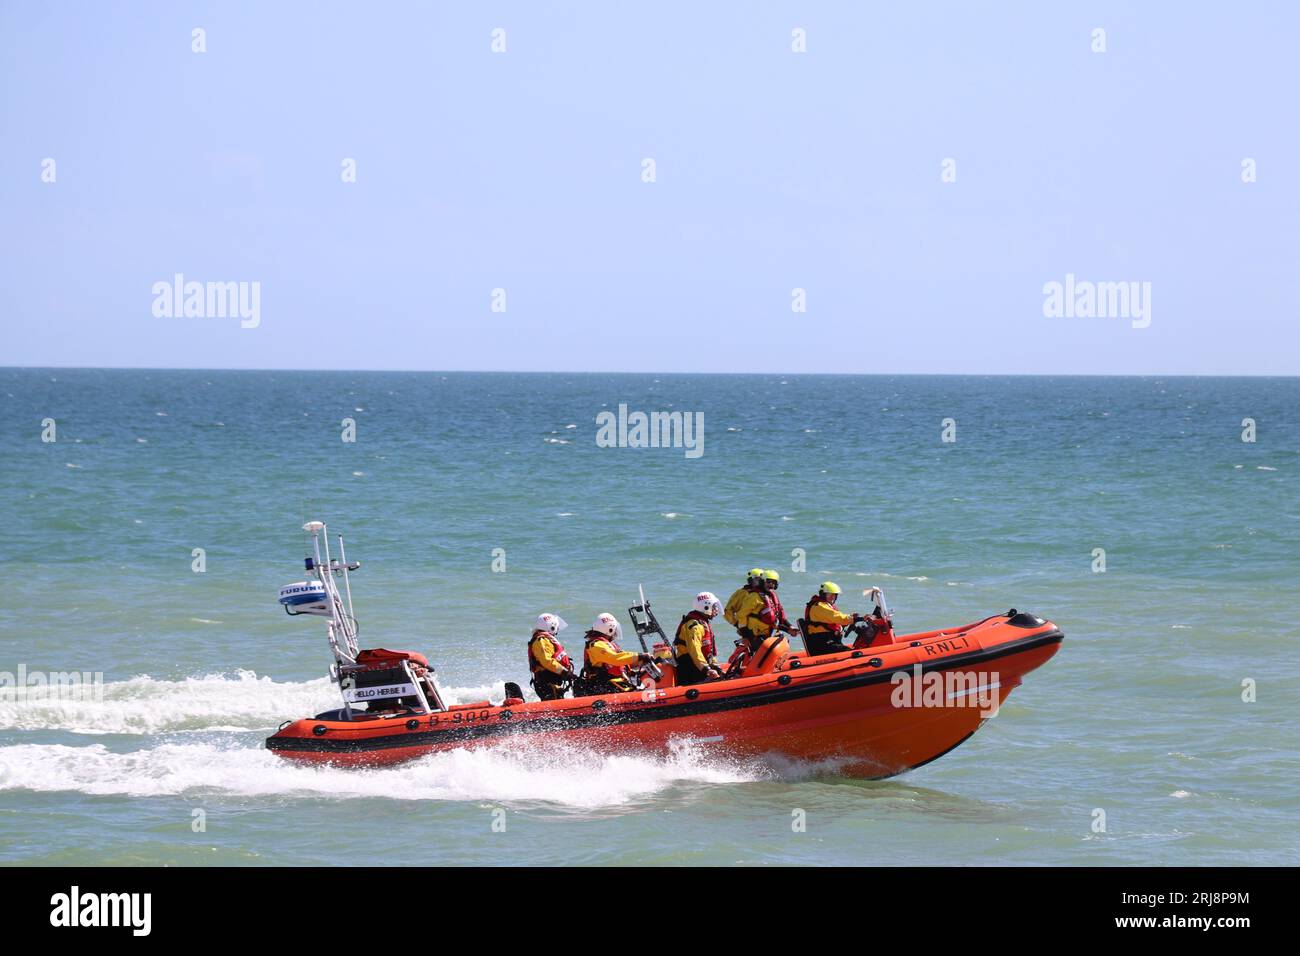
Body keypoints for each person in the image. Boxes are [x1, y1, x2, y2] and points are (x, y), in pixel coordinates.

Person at [574, 612, 652, 697]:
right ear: (609, 629)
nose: (615, 632)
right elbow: (615, 659)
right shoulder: (596, 645)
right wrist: (639, 656)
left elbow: (623, 661)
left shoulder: (606, 645)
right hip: (602, 687)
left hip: (613, 685)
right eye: (614, 629)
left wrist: (642, 661)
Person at [674, 592, 724, 685]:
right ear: (706, 607)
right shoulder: (694, 626)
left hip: (697, 665)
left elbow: (708, 652)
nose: (716, 609)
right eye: (714, 606)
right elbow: (694, 650)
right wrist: (706, 669)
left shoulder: (703, 623)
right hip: (689, 667)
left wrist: (716, 666)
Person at [803, 582, 862, 656]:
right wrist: (856, 618)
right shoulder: (819, 606)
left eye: (834, 594)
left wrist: (851, 618)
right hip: (821, 644)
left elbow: (837, 619)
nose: (832, 597)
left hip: (827, 642)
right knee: (852, 654)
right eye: (829, 594)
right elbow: (838, 617)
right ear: (823, 594)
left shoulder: (824, 606)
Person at [527, 612, 574, 701]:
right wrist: (564, 672)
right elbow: (546, 660)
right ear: (551, 626)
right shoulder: (541, 641)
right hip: (547, 682)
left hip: (552, 681)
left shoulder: (546, 640)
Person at [723, 568, 766, 644]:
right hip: (749, 631)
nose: (760, 582)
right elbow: (727, 611)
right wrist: (737, 625)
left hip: (763, 630)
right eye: (757, 579)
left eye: (761, 579)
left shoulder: (765, 594)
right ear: (750, 580)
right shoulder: (742, 593)